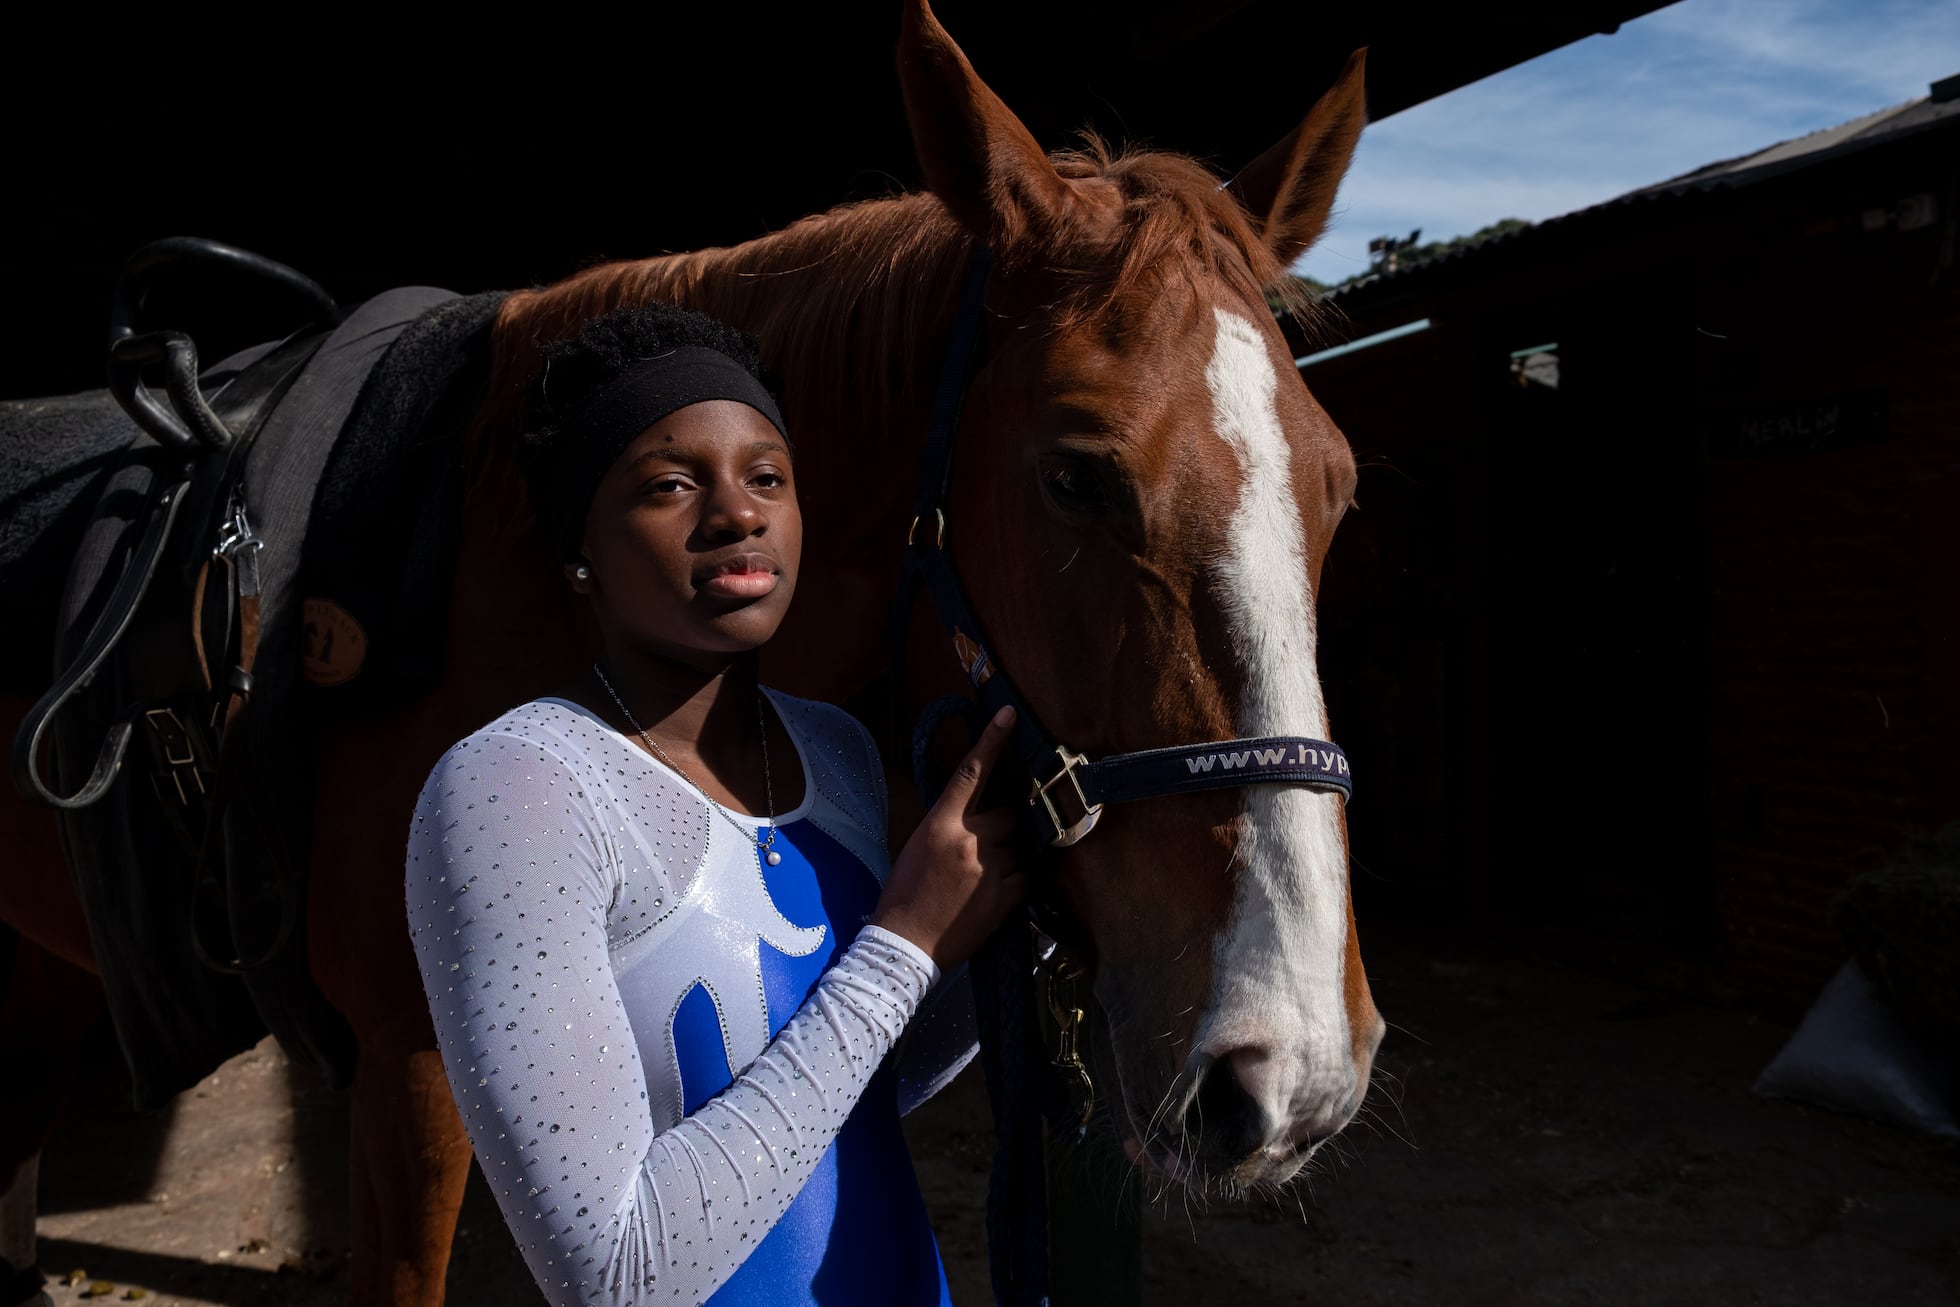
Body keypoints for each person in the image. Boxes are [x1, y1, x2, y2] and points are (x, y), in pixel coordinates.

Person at [405, 302, 1026, 1306]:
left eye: (766, 476)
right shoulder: (519, 786)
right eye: (668, 484)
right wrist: (906, 944)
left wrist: (1001, 924)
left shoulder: (835, 749)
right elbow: (613, 1272)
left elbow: (855, 1092)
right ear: (580, 549)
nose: (738, 512)